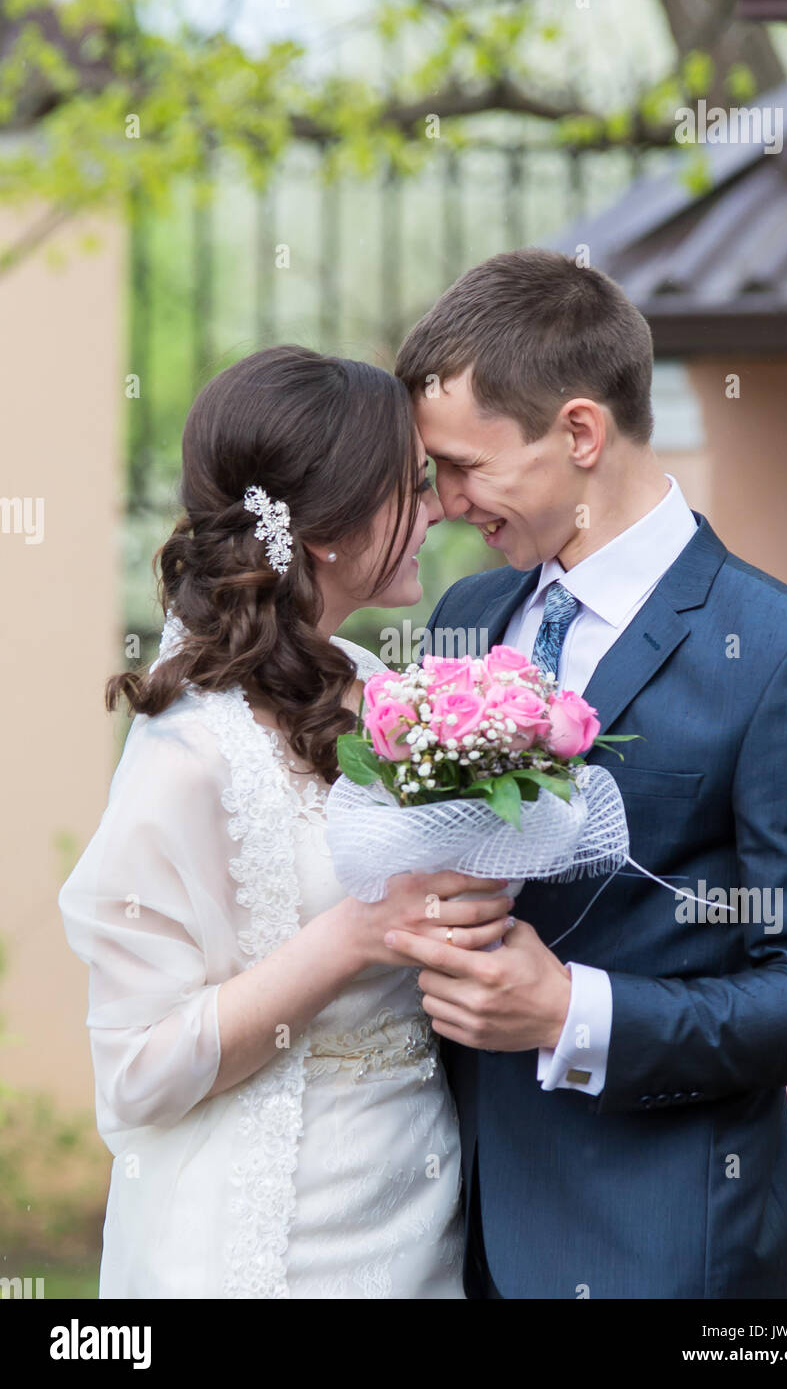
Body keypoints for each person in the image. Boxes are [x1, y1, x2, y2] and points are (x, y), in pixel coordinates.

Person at [386, 248, 787, 1299]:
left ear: (580, 433)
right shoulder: (466, 619)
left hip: (653, 1248)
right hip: (440, 1232)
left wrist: (574, 1014)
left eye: (464, 466)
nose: (446, 503)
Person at [58, 344, 516, 1299]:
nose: (437, 509)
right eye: (409, 488)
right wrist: (349, 940)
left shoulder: (393, 695)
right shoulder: (190, 754)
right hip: (263, 1238)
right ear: (327, 531)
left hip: (417, 1208)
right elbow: (136, 1073)